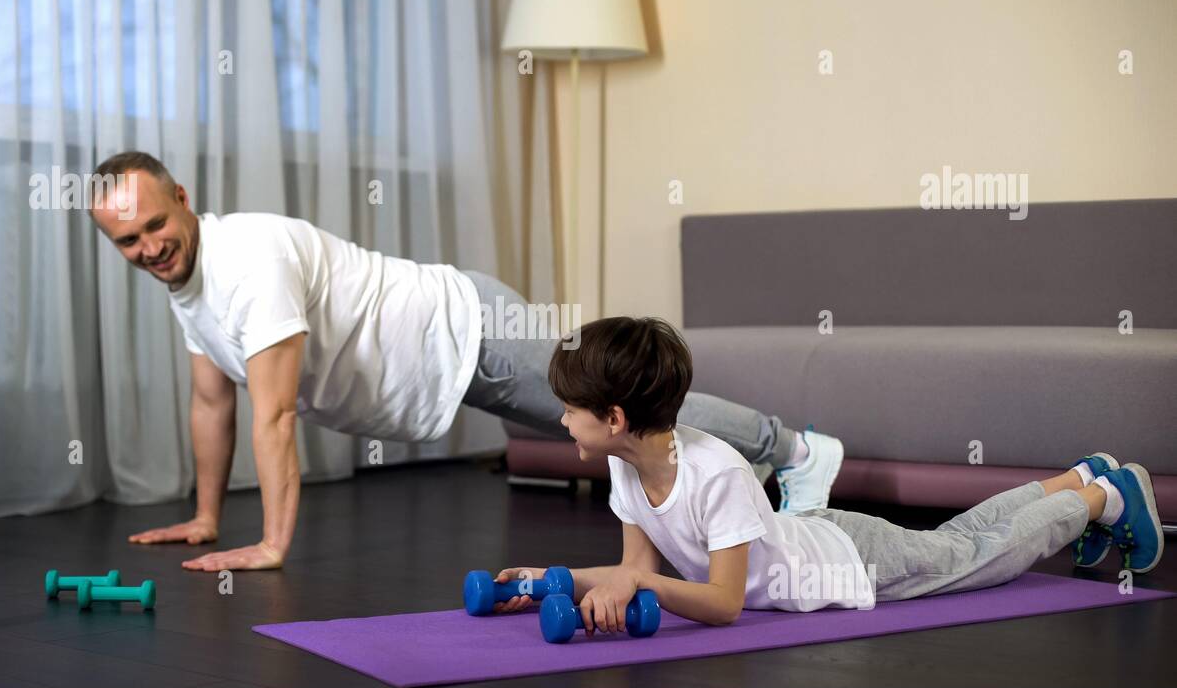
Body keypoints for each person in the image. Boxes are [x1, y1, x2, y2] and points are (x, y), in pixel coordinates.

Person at [87, 150, 845, 571]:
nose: (150, 248)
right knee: (602, 426)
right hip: (450, 353)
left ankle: (797, 450)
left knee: (619, 416)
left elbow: (274, 411)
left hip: (468, 329)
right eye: (128, 241)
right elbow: (211, 401)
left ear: (182, 196)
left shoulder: (248, 260)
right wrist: (208, 515)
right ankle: (783, 453)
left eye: (157, 225)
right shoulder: (190, 286)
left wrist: (274, 544)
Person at [489, 316, 1163, 634]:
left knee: (978, 553)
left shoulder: (714, 471)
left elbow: (722, 605)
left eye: (570, 410)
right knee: (964, 534)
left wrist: (641, 584)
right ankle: (1080, 475)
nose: (561, 420)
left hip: (849, 564)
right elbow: (636, 566)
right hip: (809, 534)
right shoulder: (626, 466)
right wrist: (550, 578)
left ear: (612, 416)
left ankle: (1104, 496)